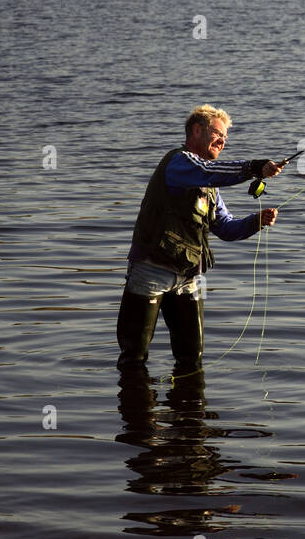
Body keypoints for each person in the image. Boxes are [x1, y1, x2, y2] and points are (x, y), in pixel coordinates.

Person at [117, 105, 282, 372]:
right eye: (218, 134)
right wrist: (254, 168)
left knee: (191, 357)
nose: (223, 141)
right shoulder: (178, 162)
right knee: (134, 356)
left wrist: (256, 222)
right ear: (197, 130)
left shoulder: (211, 186)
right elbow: (205, 170)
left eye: (226, 138)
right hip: (151, 270)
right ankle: (137, 411)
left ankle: (190, 412)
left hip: (190, 276)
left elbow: (225, 228)